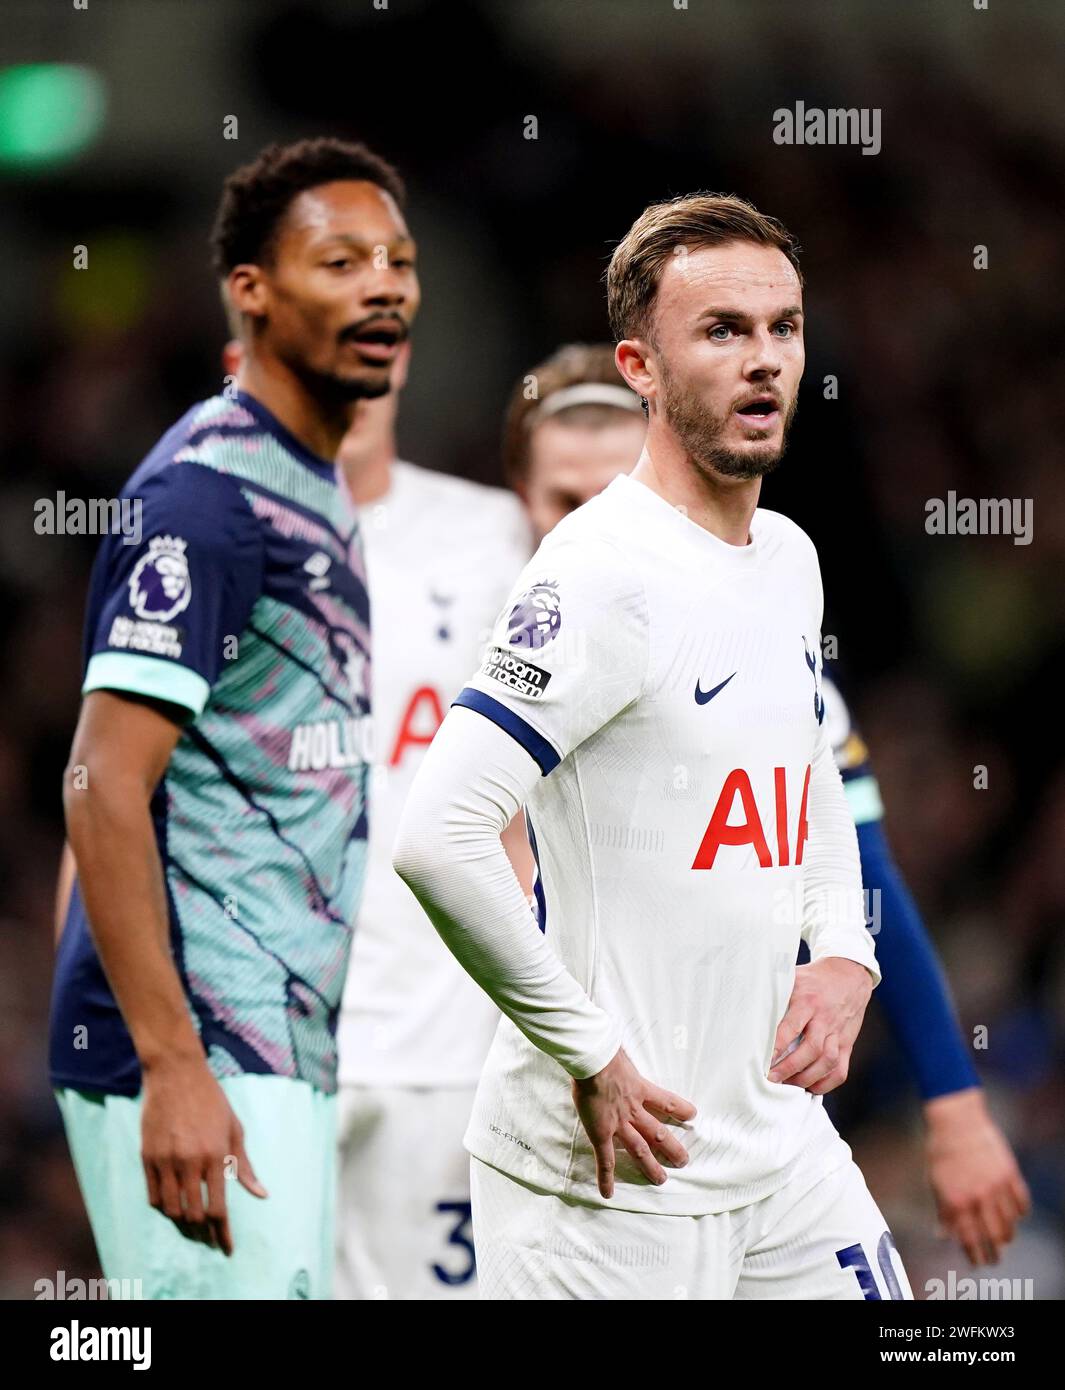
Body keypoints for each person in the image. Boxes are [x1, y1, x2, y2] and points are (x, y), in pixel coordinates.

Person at [393, 192, 910, 1299]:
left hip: (779, 1149)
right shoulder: (599, 573)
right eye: (723, 330)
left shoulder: (788, 555)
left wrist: (844, 947)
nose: (765, 359)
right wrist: (585, 1049)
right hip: (608, 1179)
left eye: (783, 327)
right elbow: (438, 834)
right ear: (639, 364)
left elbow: (806, 768)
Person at [503, 341, 1031, 1270]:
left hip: (743, 1107)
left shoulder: (772, 642)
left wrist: (949, 1099)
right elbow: (439, 851)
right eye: (562, 501)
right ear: (518, 504)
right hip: (540, 1107)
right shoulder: (501, 675)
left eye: (610, 488)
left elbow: (862, 872)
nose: (595, 520)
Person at [49, 135, 418, 1299]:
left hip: (275, 1043)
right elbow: (102, 783)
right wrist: (170, 1064)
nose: (384, 285)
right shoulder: (205, 500)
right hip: (202, 1052)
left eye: (400, 260)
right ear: (250, 291)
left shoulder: (310, 483)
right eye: (341, 260)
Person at [330, 339, 536, 1300]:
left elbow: (548, 798)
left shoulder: (494, 536)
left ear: (402, 357)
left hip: (449, 1038)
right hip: (256, 1047)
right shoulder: (197, 542)